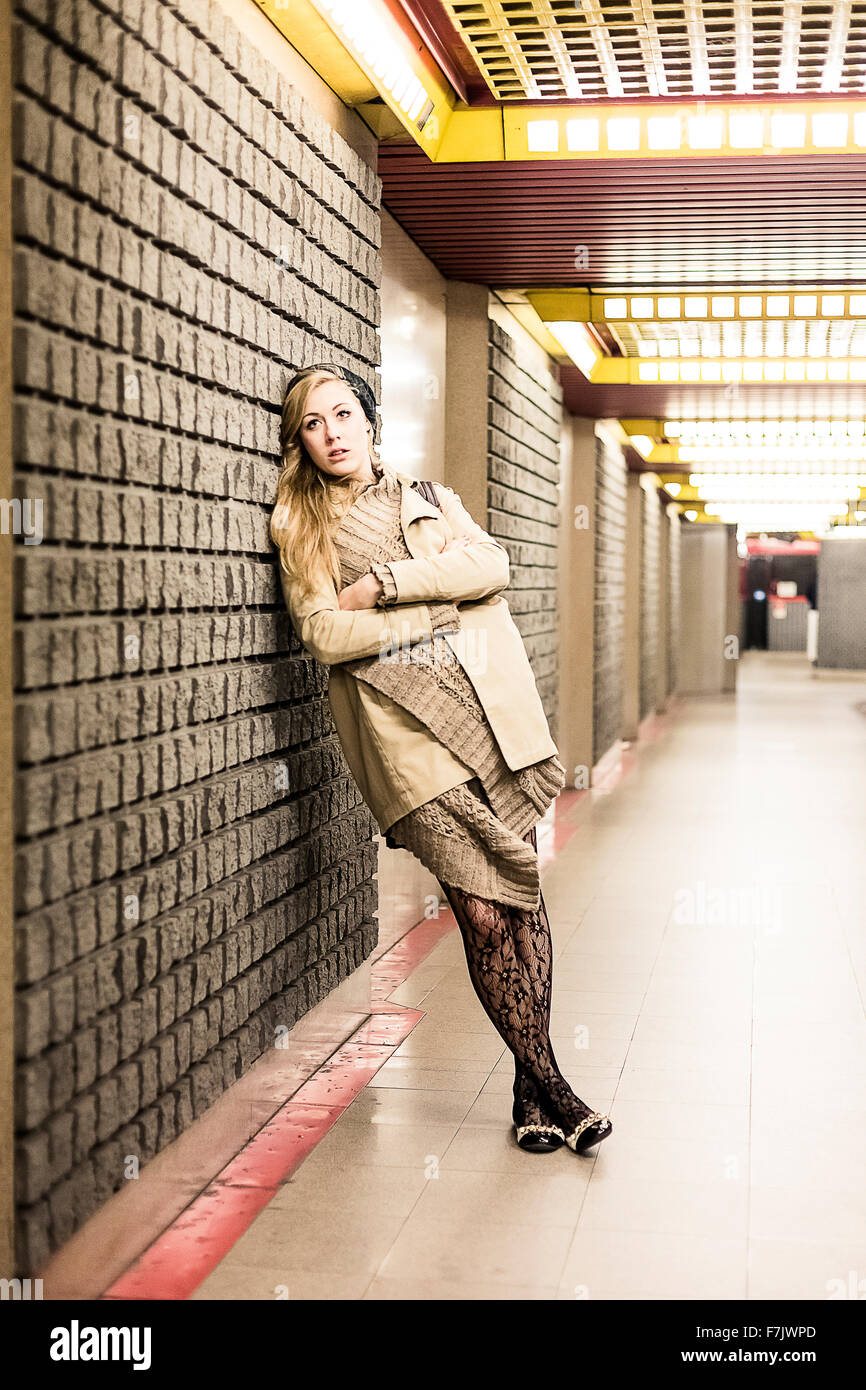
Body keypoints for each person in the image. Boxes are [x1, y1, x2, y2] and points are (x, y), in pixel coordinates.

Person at [270, 362, 612, 1156]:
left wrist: (387, 584)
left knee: (519, 894)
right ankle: (558, 1087)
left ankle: (531, 1095)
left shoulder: (428, 496)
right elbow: (323, 635)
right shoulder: (301, 525)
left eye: (344, 414)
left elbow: (490, 568)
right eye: (314, 424)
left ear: (368, 419)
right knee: (482, 910)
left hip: (491, 716)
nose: (333, 433)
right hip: (406, 741)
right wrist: (428, 616)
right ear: (301, 442)